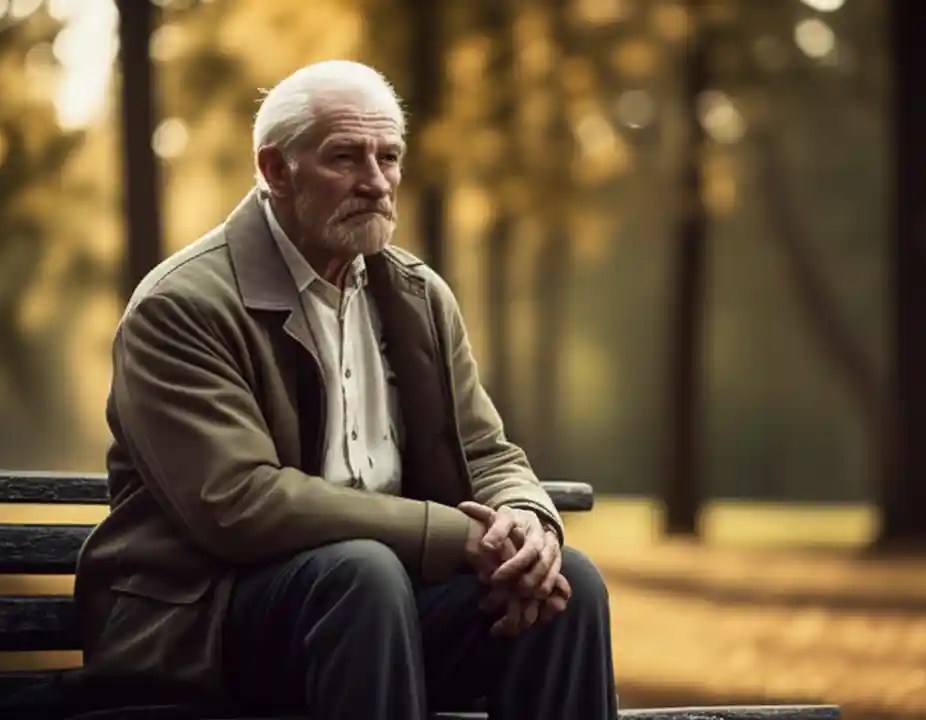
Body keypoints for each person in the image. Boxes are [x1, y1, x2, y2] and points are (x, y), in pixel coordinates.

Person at [72, 60, 616, 720]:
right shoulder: (182, 306)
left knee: (567, 586)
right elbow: (238, 502)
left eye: (389, 157)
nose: (376, 181)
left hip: (379, 611)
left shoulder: (419, 296)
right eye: (345, 157)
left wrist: (527, 521)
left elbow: (487, 453)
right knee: (361, 572)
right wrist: (451, 535)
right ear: (275, 170)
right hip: (207, 623)